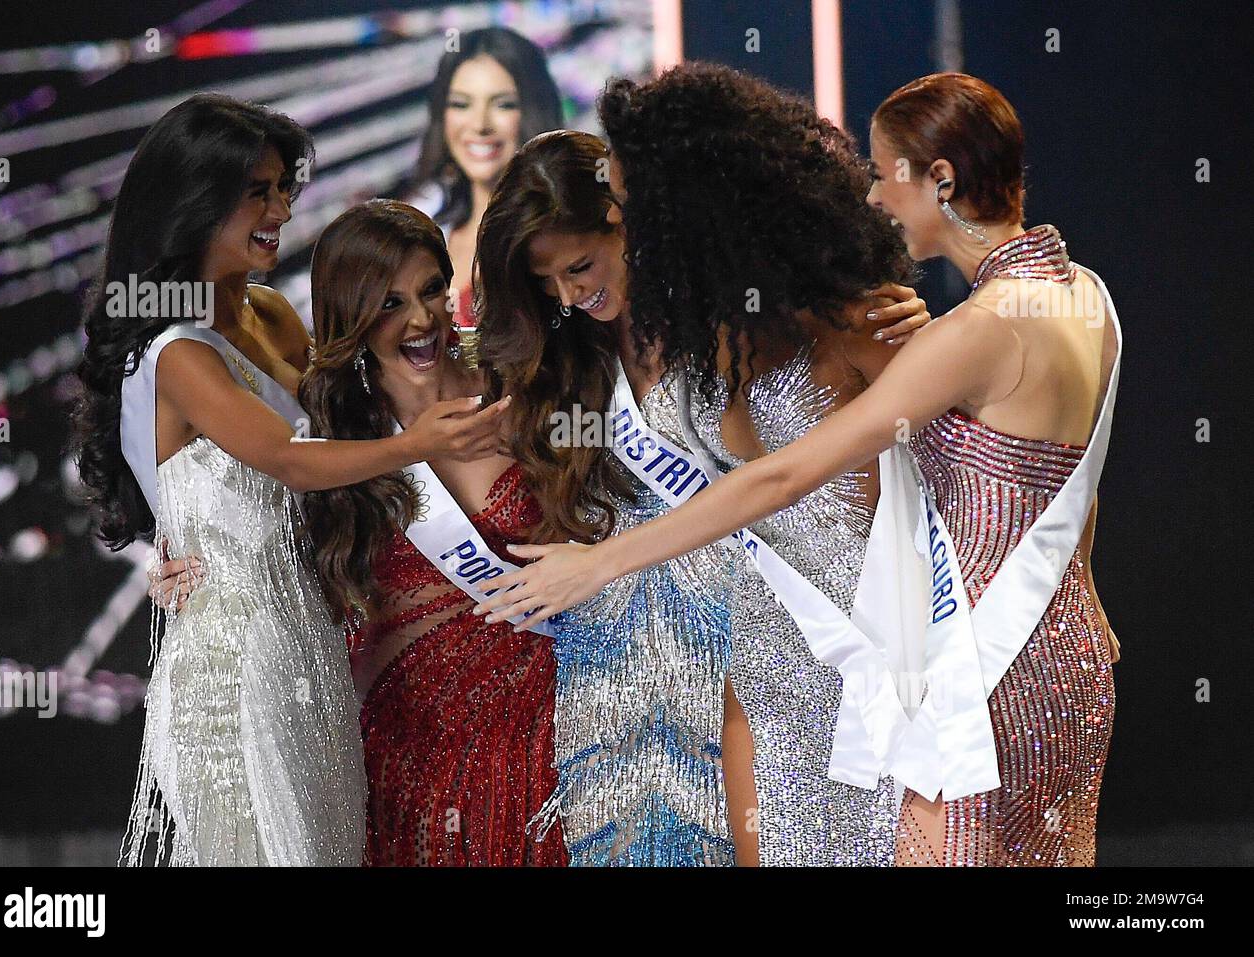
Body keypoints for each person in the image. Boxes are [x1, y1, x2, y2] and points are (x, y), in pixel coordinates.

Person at [478, 71, 1121, 868]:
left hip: (891, 654)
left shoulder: (865, 315)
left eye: (628, 209)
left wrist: (1067, 574)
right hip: (771, 651)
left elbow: (1027, 474)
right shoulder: (694, 328)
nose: (619, 229)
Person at [475, 124, 931, 865]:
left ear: (629, 222)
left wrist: (930, 335)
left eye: (581, 265)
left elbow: (939, 441)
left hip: (779, 626)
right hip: (628, 666)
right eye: (547, 282)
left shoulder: (745, 317)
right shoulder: (564, 357)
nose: (569, 294)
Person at [74, 94, 505, 866]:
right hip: (232, 667)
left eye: (282, 188)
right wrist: (414, 443)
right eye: (257, 192)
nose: (279, 208)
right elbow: (289, 457)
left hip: (310, 645)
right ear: (199, 201)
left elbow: (338, 421)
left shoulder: (272, 312)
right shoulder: (177, 351)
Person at [299, 199, 566, 866]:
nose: (419, 320)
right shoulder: (333, 445)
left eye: (429, 291)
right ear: (352, 319)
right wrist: (178, 568)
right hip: (413, 758)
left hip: (551, 743)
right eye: (389, 304)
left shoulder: (523, 383)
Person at [405, 27, 563, 329]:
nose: (479, 125)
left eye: (503, 104)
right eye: (461, 104)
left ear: (533, 111)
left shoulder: (558, 238)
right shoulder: (424, 237)